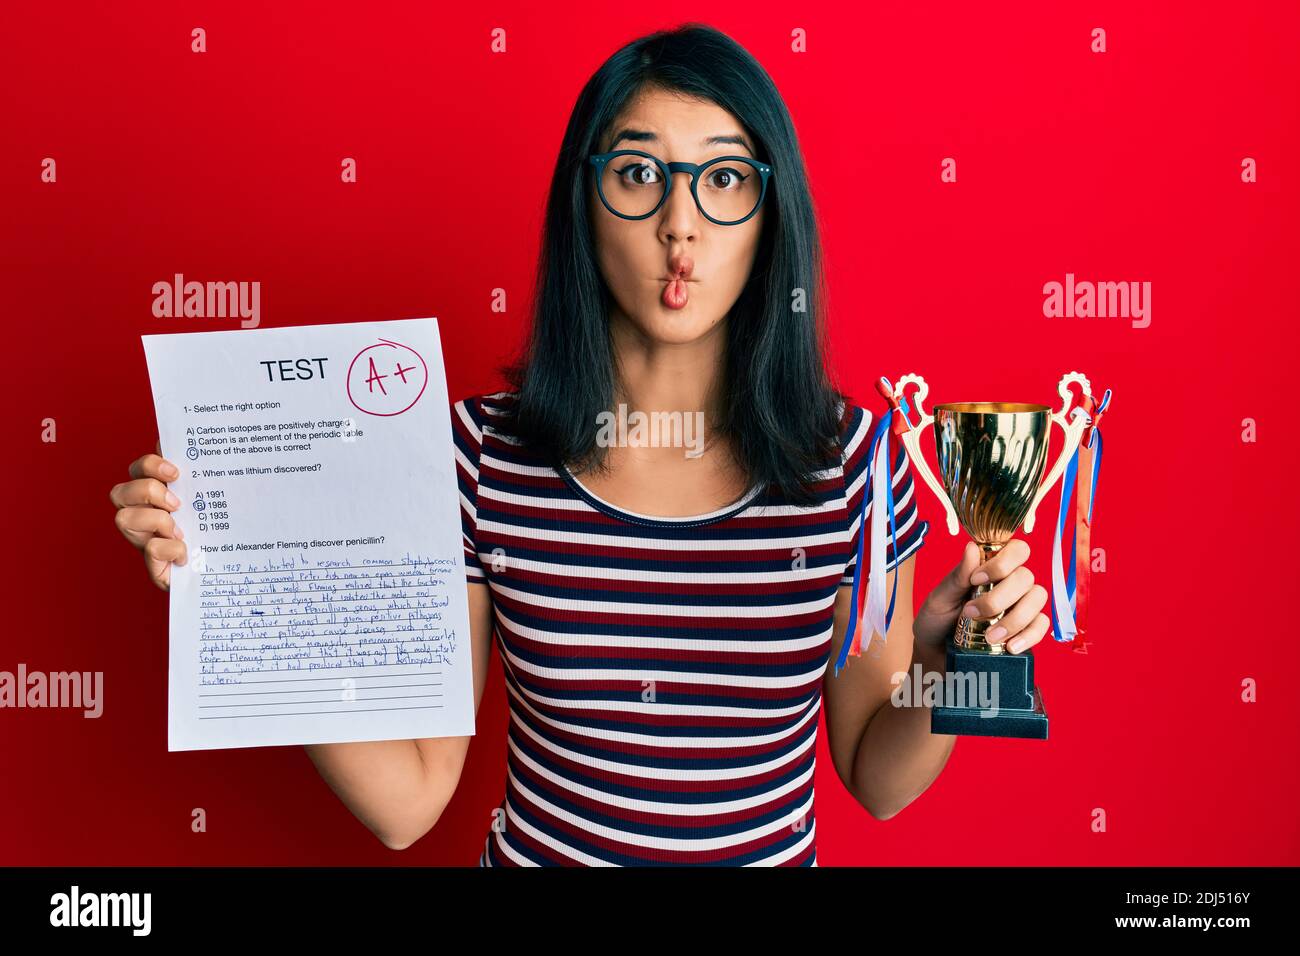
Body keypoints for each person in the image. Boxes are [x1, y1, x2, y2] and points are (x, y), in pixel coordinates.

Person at [109, 23, 1050, 866]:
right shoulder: (478, 457)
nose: (681, 222)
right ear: (583, 202)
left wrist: (957, 663)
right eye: (639, 173)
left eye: (724, 178)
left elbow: (877, 780)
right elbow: (410, 800)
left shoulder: (854, 463)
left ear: (772, 216)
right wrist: (236, 590)